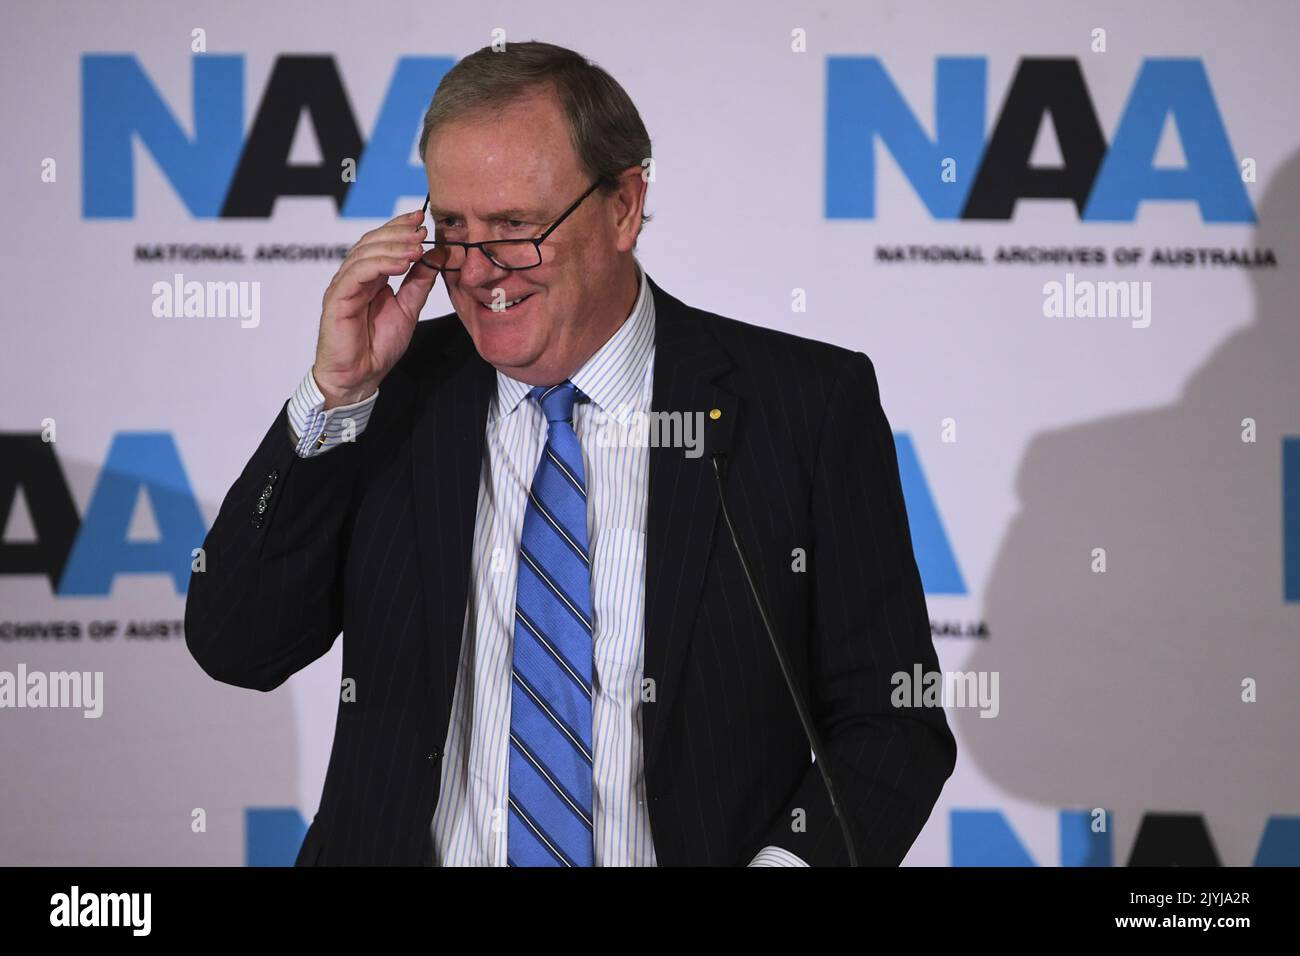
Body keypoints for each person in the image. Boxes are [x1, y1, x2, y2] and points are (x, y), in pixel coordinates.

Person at [184, 40, 956, 866]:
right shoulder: (394, 393)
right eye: (452, 230)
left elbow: (891, 723)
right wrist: (335, 396)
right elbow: (238, 645)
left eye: (515, 228)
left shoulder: (802, 406)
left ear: (624, 206)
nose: (479, 272)